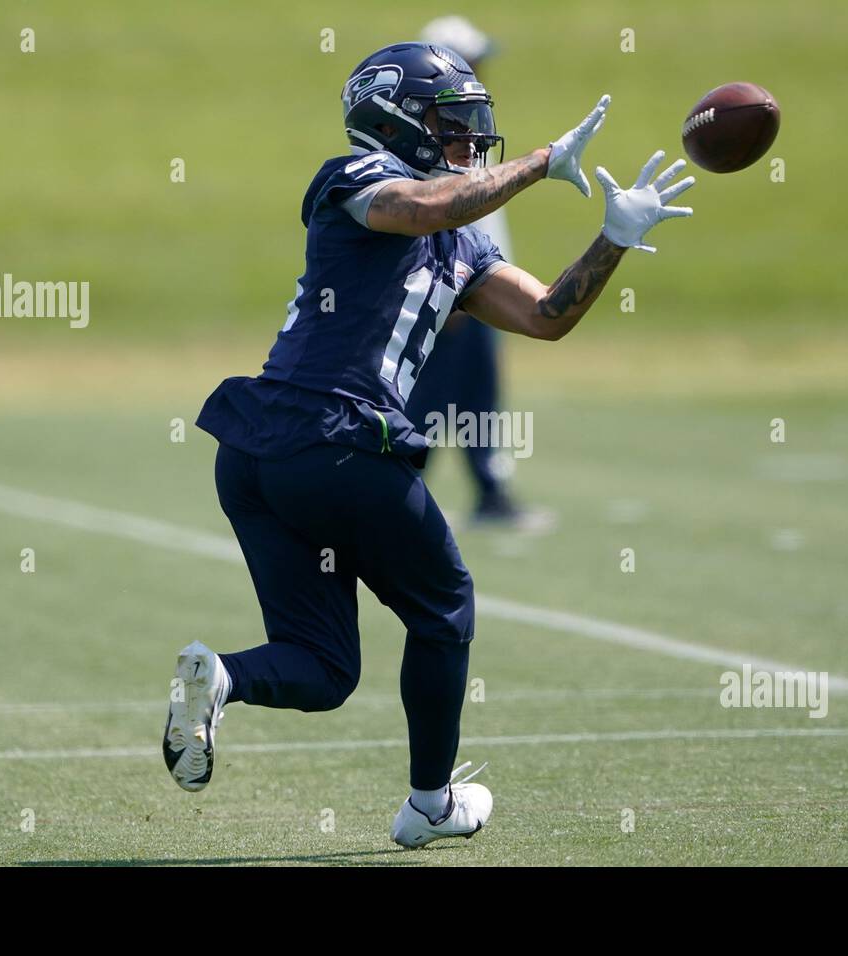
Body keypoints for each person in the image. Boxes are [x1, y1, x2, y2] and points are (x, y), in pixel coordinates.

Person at [163, 41, 693, 848]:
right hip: (333, 441)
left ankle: (221, 676)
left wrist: (615, 235)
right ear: (394, 119)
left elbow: (547, 316)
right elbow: (423, 209)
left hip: (261, 456)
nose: (470, 144)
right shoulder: (355, 179)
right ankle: (431, 803)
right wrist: (545, 162)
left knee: (324, 667)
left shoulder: (465, 244)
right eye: (452, 125)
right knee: (446, 608)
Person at [406, 16, 543, 528]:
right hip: (456, 291)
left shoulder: (468, 130)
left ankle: (486, 490)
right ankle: (409, 487)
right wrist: (454, 292)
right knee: (431, 398)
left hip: (477, 283)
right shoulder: (435, 145)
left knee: (474, 398)